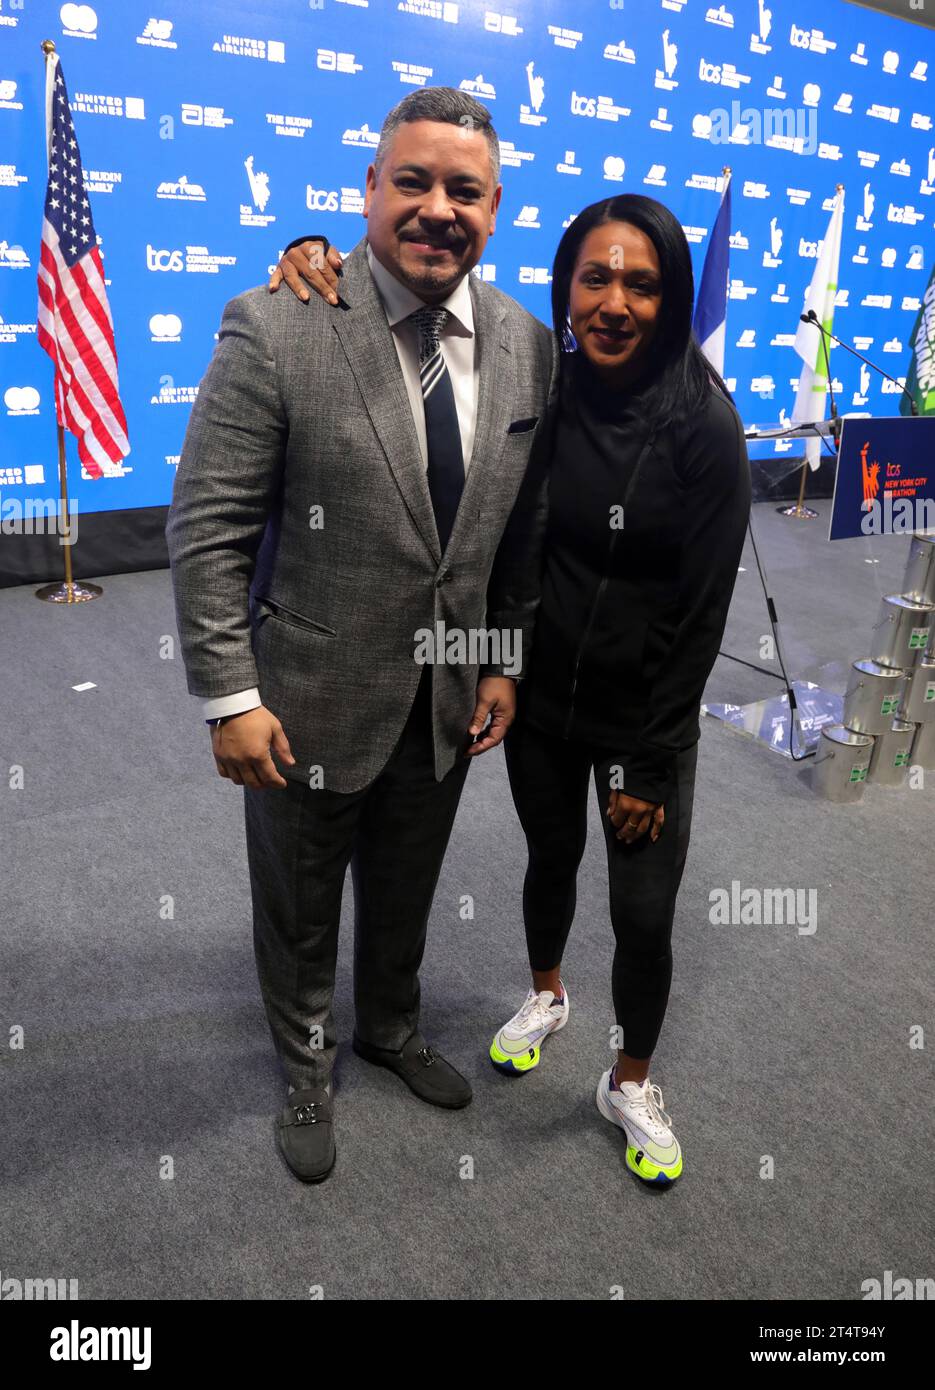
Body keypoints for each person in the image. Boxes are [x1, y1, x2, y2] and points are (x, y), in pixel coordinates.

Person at [271, 192, 751, 1186]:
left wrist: (651, 763)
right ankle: (545, 994)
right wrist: (307, 254)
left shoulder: (705, 427)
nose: (613, 302)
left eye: (641, 284)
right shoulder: (545, 384)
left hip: (640, 724)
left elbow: (698, 615)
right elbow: (504, 546)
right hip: (537, 703)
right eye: (594, 277)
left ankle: (628, 1079)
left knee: (644, 914)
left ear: (668, 301)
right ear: (563, 285)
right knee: (548, 860)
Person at [166, 87, 557, 1184]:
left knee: (406, 881)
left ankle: (387, 1025)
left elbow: (517, 530)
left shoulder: (527, 344)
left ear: (494, 207)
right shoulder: (279, 321)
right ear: (369, 191)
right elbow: (207, 529)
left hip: (442, 696)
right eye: (414, 182)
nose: (438, 208)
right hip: (303, 697)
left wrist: (497, 660)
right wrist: (230, 696)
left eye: (464, 190)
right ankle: (304, 1059)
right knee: (297, 899)